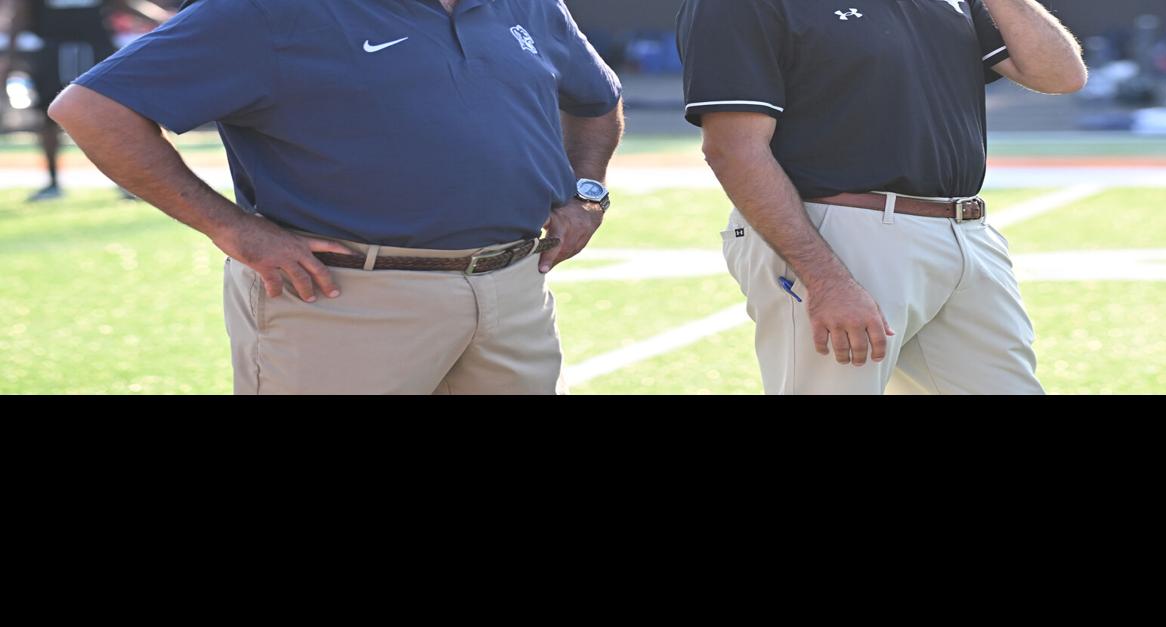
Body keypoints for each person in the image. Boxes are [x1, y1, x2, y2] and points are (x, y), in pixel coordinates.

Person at [48, 0, 623, 395]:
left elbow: (598, 99)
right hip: (344, 294)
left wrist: (587, 194)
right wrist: (234, 229)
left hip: (515, 288)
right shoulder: (270, 11)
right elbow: (92, 109)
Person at [677, 0, 1086, 395]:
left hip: (964, 233)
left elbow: (1061, 75)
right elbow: (733, 149)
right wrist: (825, 279)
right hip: (841, 234)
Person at [2, 0, 170, 201]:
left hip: (95, 48)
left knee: (112, 115)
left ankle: (128, 183)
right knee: (49, 115)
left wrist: (165, 20)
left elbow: (124, 3)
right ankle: (52, 182)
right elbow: (20, 16)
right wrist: (9, 60)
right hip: (54, 50)